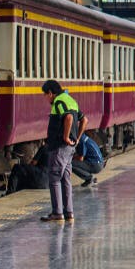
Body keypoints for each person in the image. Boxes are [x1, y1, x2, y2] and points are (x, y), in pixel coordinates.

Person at [40, 80, 88, 223]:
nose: (46, 99)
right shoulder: (70, 100)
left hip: (60, 147)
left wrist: (66, 137)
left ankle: (57, 213)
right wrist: (77, 138)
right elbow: (84, 120)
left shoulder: (59, 102)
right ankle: (69, 212)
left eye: (45, 95)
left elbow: (68, 117)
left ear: (50, 93)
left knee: (54, 179)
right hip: (70, 149)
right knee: (65, 179)